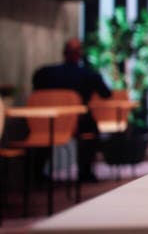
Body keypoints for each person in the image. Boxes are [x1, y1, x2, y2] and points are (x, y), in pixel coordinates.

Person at [32, 38, 111, 182]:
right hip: (76, 124)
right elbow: (106, 94)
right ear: (79, 54)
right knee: (91, 130)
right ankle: (85, 172)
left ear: (64, 53)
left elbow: (36, 86)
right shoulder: (89, 75)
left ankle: (36, 173)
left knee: (46, 129)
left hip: (49, 123)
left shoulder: (45, 73)